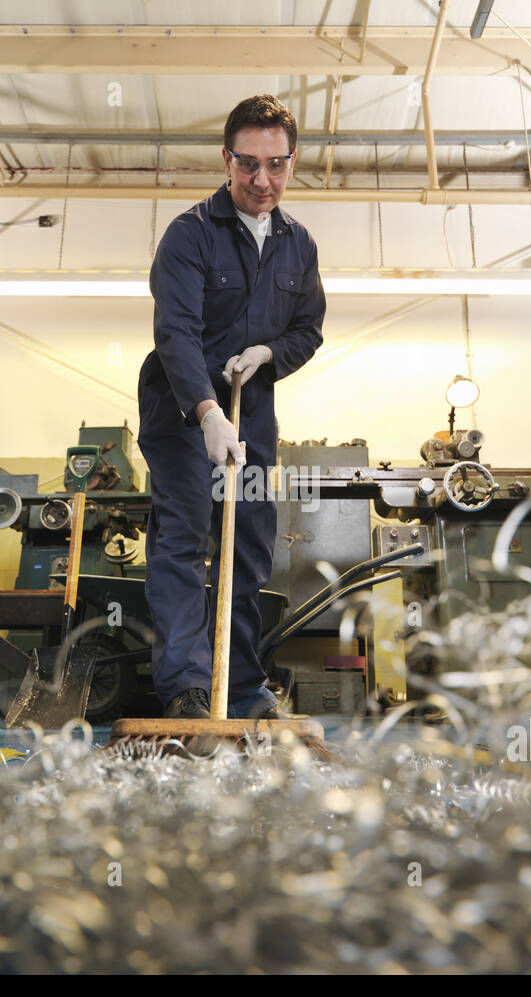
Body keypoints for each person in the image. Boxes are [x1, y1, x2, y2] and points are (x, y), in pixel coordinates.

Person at [137, 94, 326, 720]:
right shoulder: (189, 234)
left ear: (292, 163)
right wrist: (206, 412)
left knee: (248, 544)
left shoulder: (299, 246)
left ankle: (241, 686)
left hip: (252, 416)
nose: (262, 179)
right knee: (187, 539)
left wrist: (270, 352)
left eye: (276, 164)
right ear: (226, 159)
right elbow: (176, 335)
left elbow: (309, 329)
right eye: (248, 164)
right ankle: (189, 688)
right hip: (181, 412)